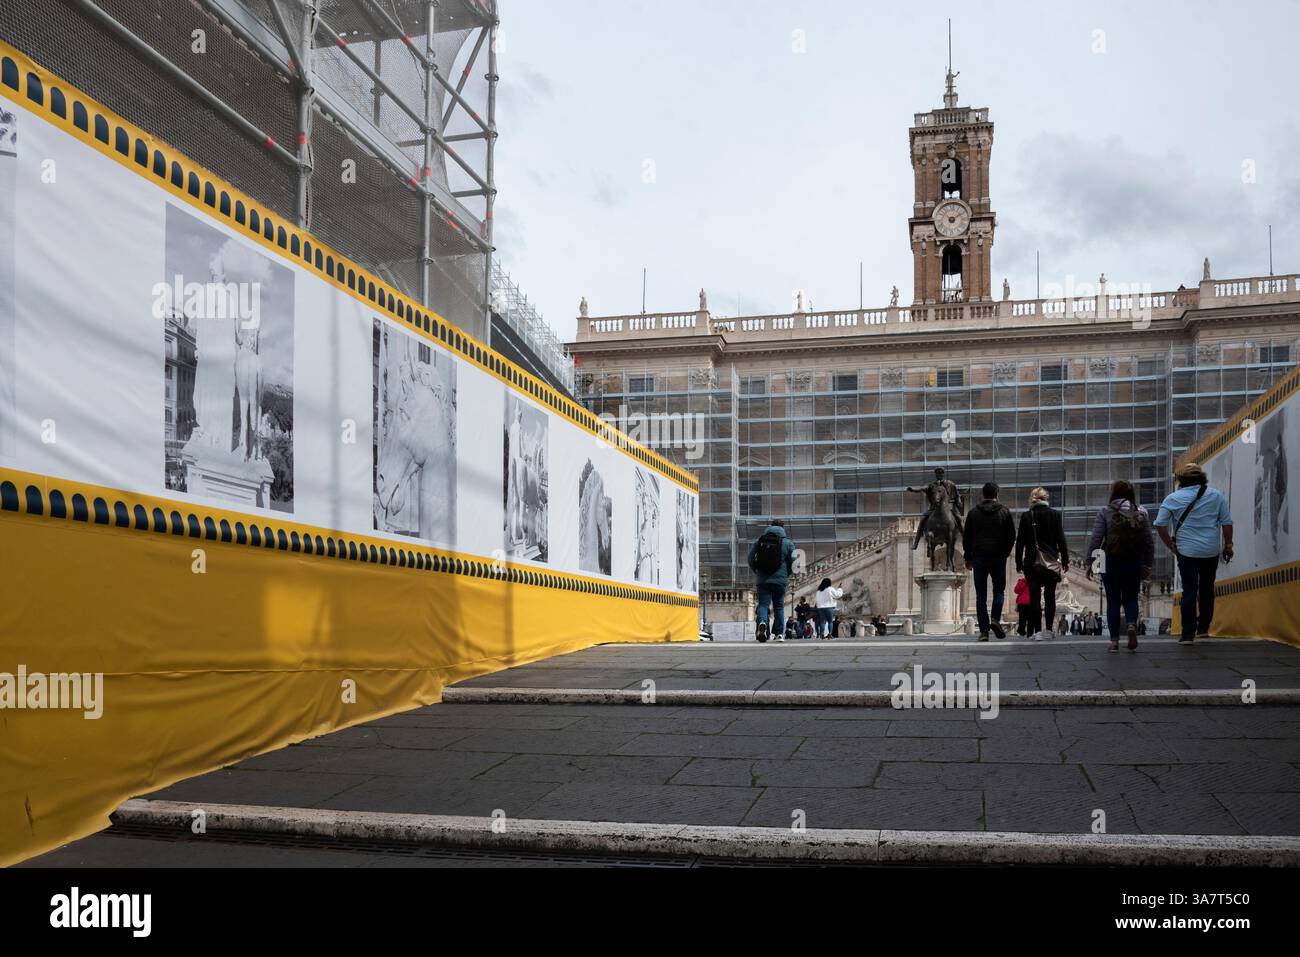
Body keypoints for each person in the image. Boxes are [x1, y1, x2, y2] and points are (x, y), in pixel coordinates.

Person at [1153, 462, 1233, 644]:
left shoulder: (1172, 498)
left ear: (1182, 479)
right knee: (1207, 588)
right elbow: (1227, 523)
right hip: (1210, 551)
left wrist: (1170, 545)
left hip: (1186, 551)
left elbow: (1159, 525)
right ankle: (1204, 628)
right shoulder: (1216, 496)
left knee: (1189, 590)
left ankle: (1188, 633)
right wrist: (1228, 546)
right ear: (1202, 478)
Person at [962, 481, 1016, 641]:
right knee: (999, 591)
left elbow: (967, 538)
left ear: (983, 495)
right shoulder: (1004, 512)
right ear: (996, 495)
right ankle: (995, 619)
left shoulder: (973, 513)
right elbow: (1011, 536)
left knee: (981, 595)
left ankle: (984, 631)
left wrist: (967, 557)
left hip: (979, 556)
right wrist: (1005, 553)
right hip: (998, 556)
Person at [1016, 487, 1070, 641]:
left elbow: (1020, 542)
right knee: (1050, 596)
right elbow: (1061, 539)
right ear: (1046, 499)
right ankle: (1049, 631)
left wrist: (1018, 562)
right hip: (1051, 562)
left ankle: (1037, 632)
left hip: (1032, 561)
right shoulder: (1054, 514)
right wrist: (1065, 560)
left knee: (1034, 597)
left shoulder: (1027, 516)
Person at [747, 519, 796, 642]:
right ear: (783, 528)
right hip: (780, 581)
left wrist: (757, 571)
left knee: (763, 605)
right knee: (779, 607)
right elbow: (795, 562)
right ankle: (779, 634)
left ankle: (762, 622)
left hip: (763, 580)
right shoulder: (788, 543)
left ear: (770, 527)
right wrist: (786, 573)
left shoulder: (760, 541)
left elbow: (750, 558)